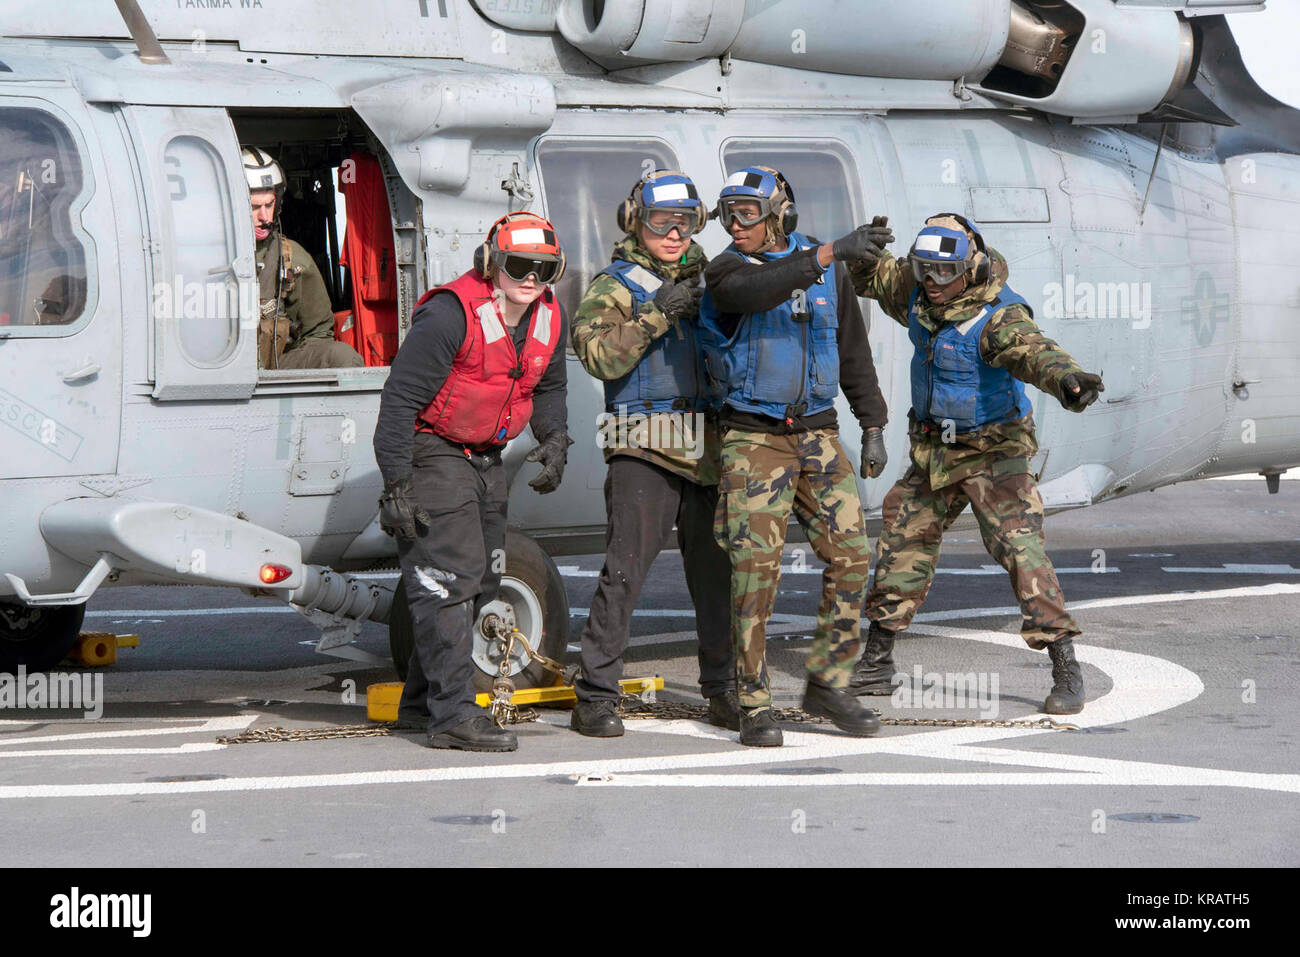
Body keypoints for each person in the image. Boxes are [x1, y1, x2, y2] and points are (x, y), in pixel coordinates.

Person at [846, 213, 1104, 714]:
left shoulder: (998, 317)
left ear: (973, 266)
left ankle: (1065, 665)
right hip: (933, 452)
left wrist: (1068, 380)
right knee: (901, 543)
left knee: (1021, 552)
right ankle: (877, 662)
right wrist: (861, 251)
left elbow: (1036, 353)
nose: (933, 283)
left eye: (945, 272)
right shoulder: (917, 290)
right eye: (924, 270)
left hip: (994, 454)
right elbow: (872, 279)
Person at [697, 165, 893, 747]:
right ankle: (753, 701)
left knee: (854, 557)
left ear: (780, 213)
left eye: (748, 213)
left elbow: (853, 350)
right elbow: (751, 292)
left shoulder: (827, 273)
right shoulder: (727, 270)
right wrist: (830, 253)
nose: (736, 224)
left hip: (818, 433)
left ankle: (830, 681)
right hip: (753, 437)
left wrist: (874, 422)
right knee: (755, 572)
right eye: (728, 213)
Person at [372, 211, 573, 751]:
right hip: (432, 449)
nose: (531, 278)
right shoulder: (449, 315)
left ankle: (419, 706)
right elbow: (398, 403)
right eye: (519, 265)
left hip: (487, 457)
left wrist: (555, 439)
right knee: (447, 579)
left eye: (544, 268)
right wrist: (397, 485)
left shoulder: (548, 317)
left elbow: (549, 385)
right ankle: (453, 715)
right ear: (492, 263)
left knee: (479, 580)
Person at [569, 170, 739, 737]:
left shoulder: (718, 280)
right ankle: (595, 695)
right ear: (635, 223)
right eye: (661, 222)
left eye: (685, 223)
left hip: (708, 445)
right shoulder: (614, 286)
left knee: (717, 577)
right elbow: (596, 357)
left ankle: (724, 690)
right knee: (625, 573)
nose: (673, 233)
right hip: (645, 443)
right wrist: (659, 313)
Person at [242, 147, 363, 370]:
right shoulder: (205, 255)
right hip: (218, 372)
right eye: (254, 207)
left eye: (269, 205)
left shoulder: (292, 258)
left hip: (275, 365)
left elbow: (317, 332)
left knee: (340, 356)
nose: (265, 217)